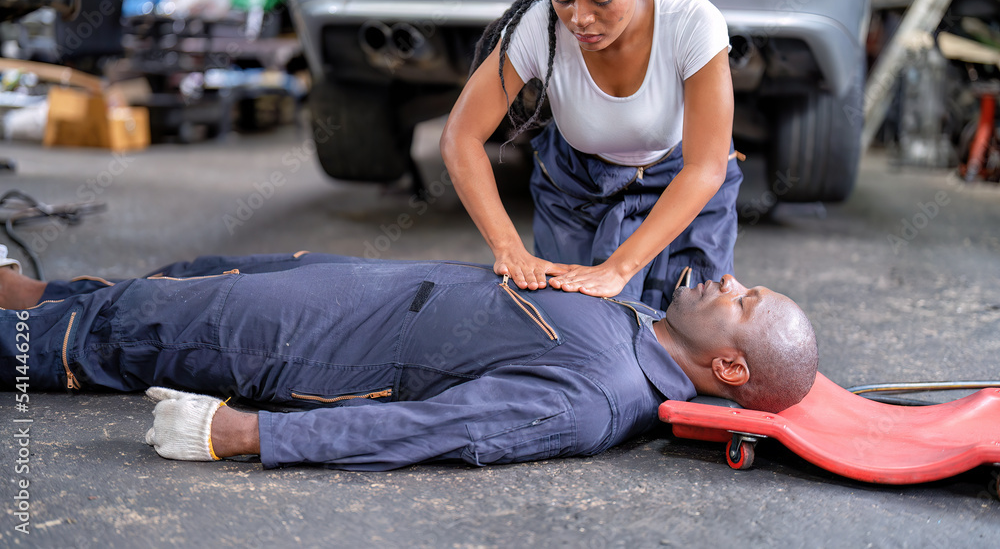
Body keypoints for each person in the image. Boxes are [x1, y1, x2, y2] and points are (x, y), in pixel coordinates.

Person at [0, 248, 816, 470]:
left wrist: (246, 435)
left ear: (732, 371)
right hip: (358, 281)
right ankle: (24, 289)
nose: (729, 280)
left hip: (313, 345)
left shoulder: (596, 397)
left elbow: (439, 429)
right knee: (178, 280)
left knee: (129, 329)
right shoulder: (644, 318)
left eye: (743, 303)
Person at [440, 0, 743, 311]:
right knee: (578, 326)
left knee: (689, 327)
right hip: (575, 187)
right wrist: (507, 247)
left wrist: (620, 268)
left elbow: (705, 167)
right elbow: (461, 137)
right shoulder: (537, 26)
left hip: (683, 180)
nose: (580, 19)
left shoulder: (692, 23)